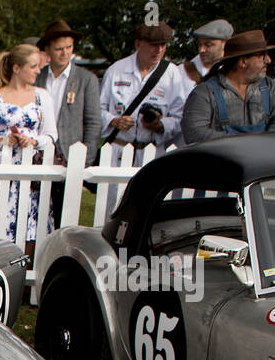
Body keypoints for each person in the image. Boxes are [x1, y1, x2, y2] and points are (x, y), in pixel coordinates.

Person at [0, 44, 57, 244]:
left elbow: (52, 135)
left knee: (30, 232)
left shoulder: (42, 96)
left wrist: (34, 141)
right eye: (33, 66)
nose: (38, 70)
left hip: (31, 175)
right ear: (17, 68)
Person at [34, 20, 101, 227]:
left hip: (70, 157)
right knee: (35, 217)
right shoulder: (37, 76)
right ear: (47, 50)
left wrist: (85, 160)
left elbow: (93, 122)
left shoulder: (86, 79)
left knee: (65, 222)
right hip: (39, 155)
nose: (65, 53)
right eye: (59, 49)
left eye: (69, 48)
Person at [183, 31, 275, 142]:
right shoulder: (205, 93)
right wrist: (241, 143)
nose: (268, 60)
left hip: (263, 157)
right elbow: (193, 133)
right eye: (262, 55)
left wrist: (264, 142)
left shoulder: (269, 87)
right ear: (243, 62)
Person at [98, 22, 188, 156]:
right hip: (117, 151)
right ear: (138, 44)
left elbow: (180, 116)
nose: (159, 50)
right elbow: (97, 110)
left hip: (153, 152)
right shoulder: (116, 70)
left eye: (163, 45)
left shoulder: (172, 74)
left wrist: (160, 125)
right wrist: (114, 121)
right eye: (154, 45)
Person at [183, 20, 233, 85]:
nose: (202, 50)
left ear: (225, 44)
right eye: (200, 45)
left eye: (208, 45)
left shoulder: (234, 71)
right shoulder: (182, 72)